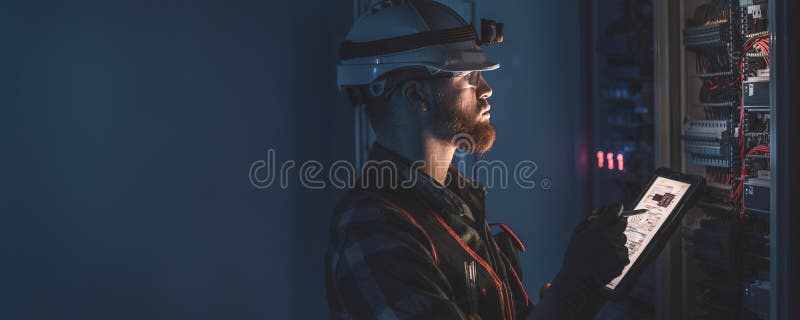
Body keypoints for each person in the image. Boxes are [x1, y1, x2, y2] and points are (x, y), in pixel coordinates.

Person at [325, 1, 630, 319]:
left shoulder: (456, 204)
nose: (486, 90)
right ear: (416, 96)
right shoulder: (373, 232)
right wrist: (573, 285)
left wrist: (574, 296)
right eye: (469, 77)